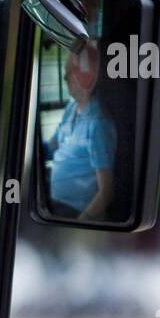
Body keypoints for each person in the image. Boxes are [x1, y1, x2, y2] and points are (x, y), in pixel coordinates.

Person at [45, 41, 116, 220]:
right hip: (53, 204)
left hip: (72, 214)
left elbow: (106, 191)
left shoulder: (98, 125)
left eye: (68, 73)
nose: (65, 78)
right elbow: (51, 147)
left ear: (84, 78)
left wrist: (81, 221)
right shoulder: (71, 108)